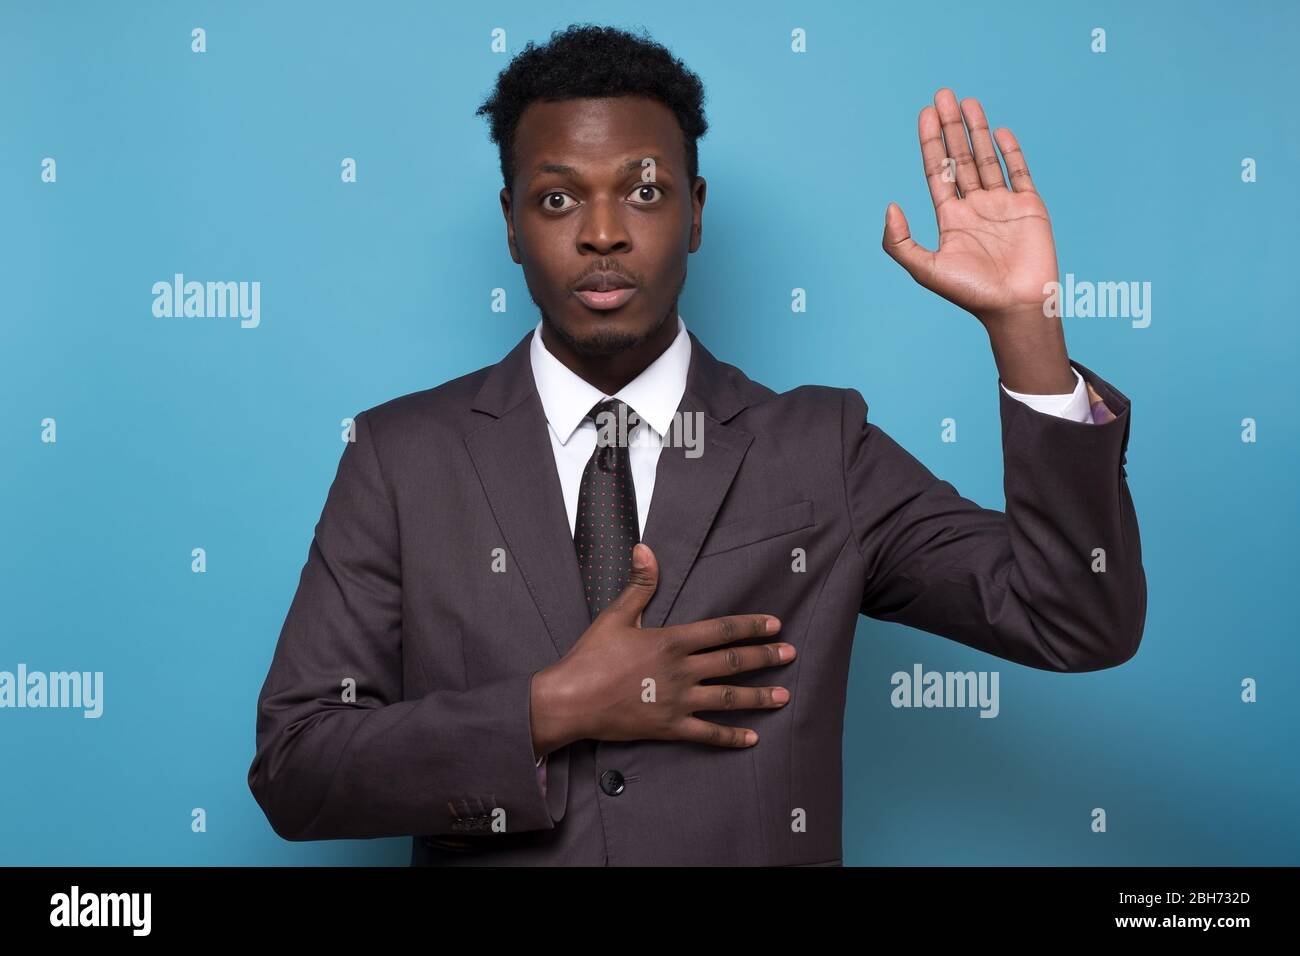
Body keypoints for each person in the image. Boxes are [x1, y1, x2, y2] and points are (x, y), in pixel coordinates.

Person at [248, 24, 1145, 866]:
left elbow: (1074, 619)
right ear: (513, 225)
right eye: (558, 198)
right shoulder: (401, 457)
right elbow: (297, 767)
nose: (603, 232)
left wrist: (1026, 328)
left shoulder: (819, 446)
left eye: (644, 191)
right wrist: (551, 709)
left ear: (696, 212)